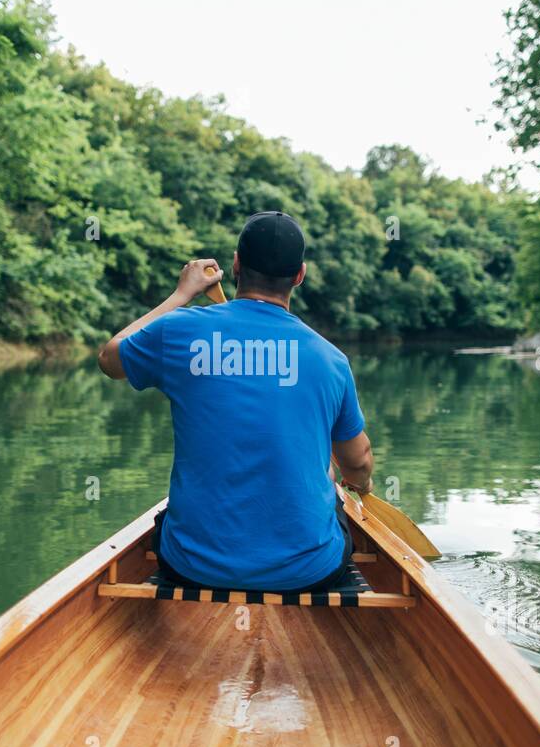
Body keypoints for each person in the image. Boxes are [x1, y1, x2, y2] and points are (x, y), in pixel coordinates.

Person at [98, 211, 374, 592]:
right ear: (300, 275)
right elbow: (357, 461)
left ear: (236, 264)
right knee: (329, 485)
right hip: (308, 571)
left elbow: (110, 360)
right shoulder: (330, 359)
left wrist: (181, 295)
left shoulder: (181, 330)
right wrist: (360, 484)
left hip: (192, 564)